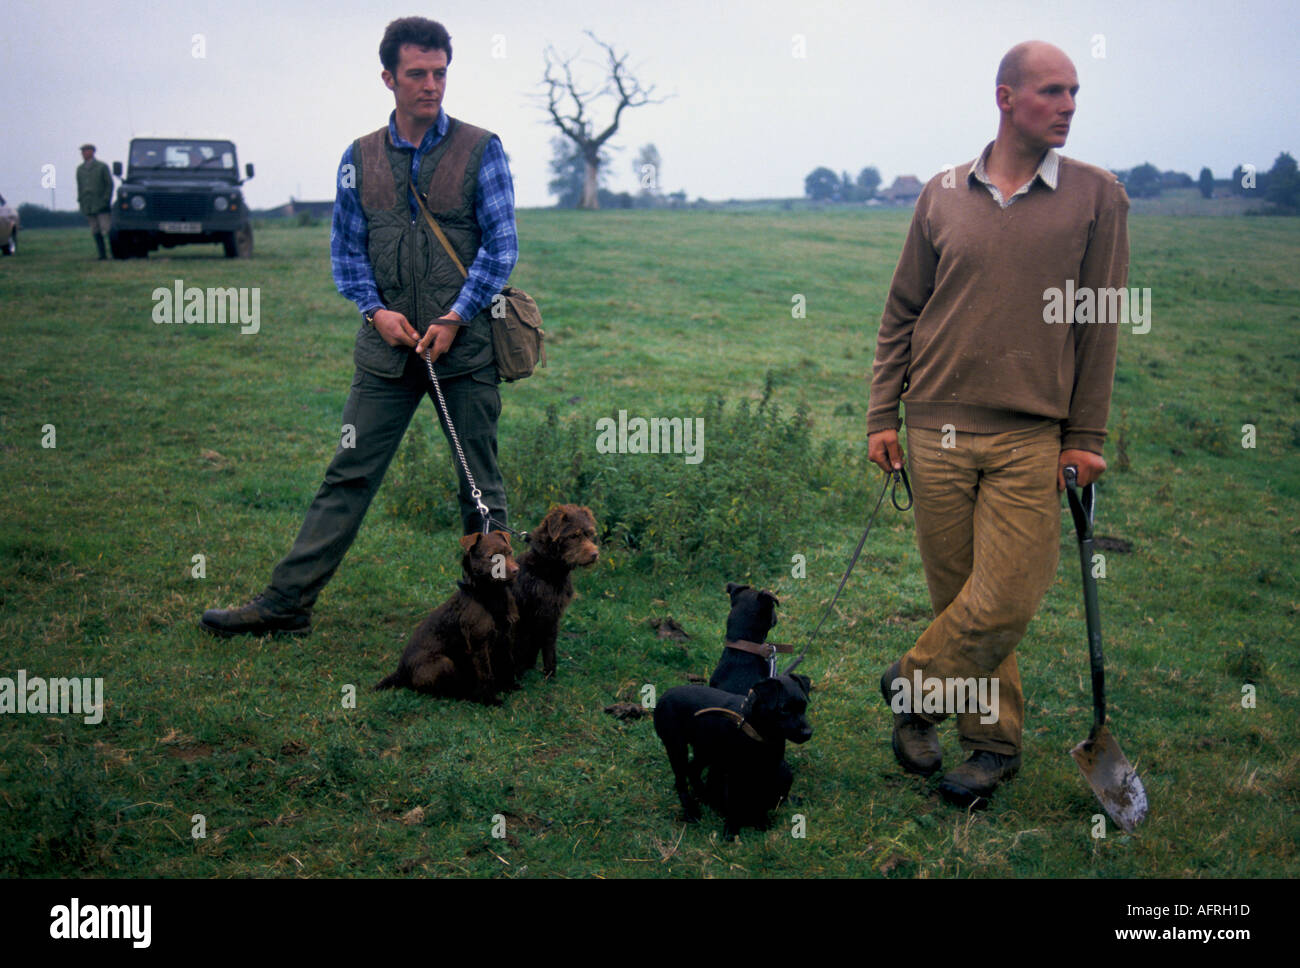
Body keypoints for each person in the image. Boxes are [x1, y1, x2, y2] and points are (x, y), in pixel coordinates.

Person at [867, 40, 1129, 808]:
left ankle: (912, 689)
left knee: (1007, 597)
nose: (1070, 106)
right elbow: (902, 312)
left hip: (1031, 434)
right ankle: (989, 748)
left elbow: (1101, 322)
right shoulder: (942, 193)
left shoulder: (1097, 195)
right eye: (1053, 92)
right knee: (960, 606)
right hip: (934, 427)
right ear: (1006, 98)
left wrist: (1087, 436)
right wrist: (884, 411)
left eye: (1076, 93)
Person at [201, 16, 518, 638]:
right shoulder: (358, 157)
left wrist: (455, 317)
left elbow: (501, 246)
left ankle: (502, 619)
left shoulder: (483, 147)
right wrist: (376, 311)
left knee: (480, 488)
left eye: (440, 72)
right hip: (386, 353)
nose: (431, 85)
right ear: (388, 78)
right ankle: (285, 605)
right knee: (346, 474)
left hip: (464, 350)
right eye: (417, 74)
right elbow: (346, 253)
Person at [76, 144, 113, 260]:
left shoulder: (102, 166)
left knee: (107, 230)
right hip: (88, 205)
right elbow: (80, 186)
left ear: (92, 152)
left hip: (101, 204)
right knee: (95, 230)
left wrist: (106, 199)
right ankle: (102, 255)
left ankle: (116, 253)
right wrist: (81, 201)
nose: (83, 153)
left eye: (85, 151)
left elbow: (109, 184)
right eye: (82, 152)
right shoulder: (80, 169)